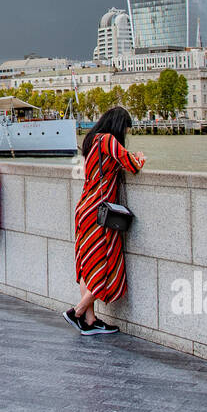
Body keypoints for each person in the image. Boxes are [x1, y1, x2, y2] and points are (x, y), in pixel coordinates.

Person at [65, 106, 145, 336]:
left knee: (88, 265)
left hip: (85, 207)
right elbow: (133, 165)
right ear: (119, 126)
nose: (125, 136)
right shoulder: (108, 140)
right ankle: (77, 312)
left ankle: (90, 322)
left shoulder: (92, 140)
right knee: (106, 265)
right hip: (100, 212)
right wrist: (139, 157)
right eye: (126, 130)